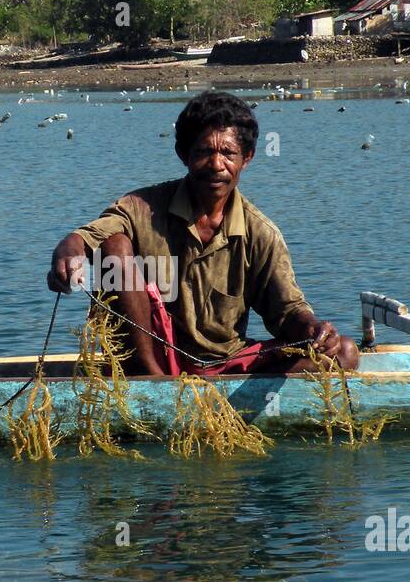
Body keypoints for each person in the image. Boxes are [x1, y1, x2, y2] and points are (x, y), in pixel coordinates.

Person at [47, 90, 358, 376]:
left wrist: (315, 331)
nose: (216, 164)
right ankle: (151, 382)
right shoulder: (141, 207)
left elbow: (288, 312)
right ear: (184, 154)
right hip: (150, 360)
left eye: (228, 153)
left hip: (226, 362)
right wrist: (68, 252)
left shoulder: (260, 233)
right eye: (204, 152)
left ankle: (235, 400)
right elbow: (87, 237)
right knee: (114, 246)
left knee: (344, 352)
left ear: (246, 159)